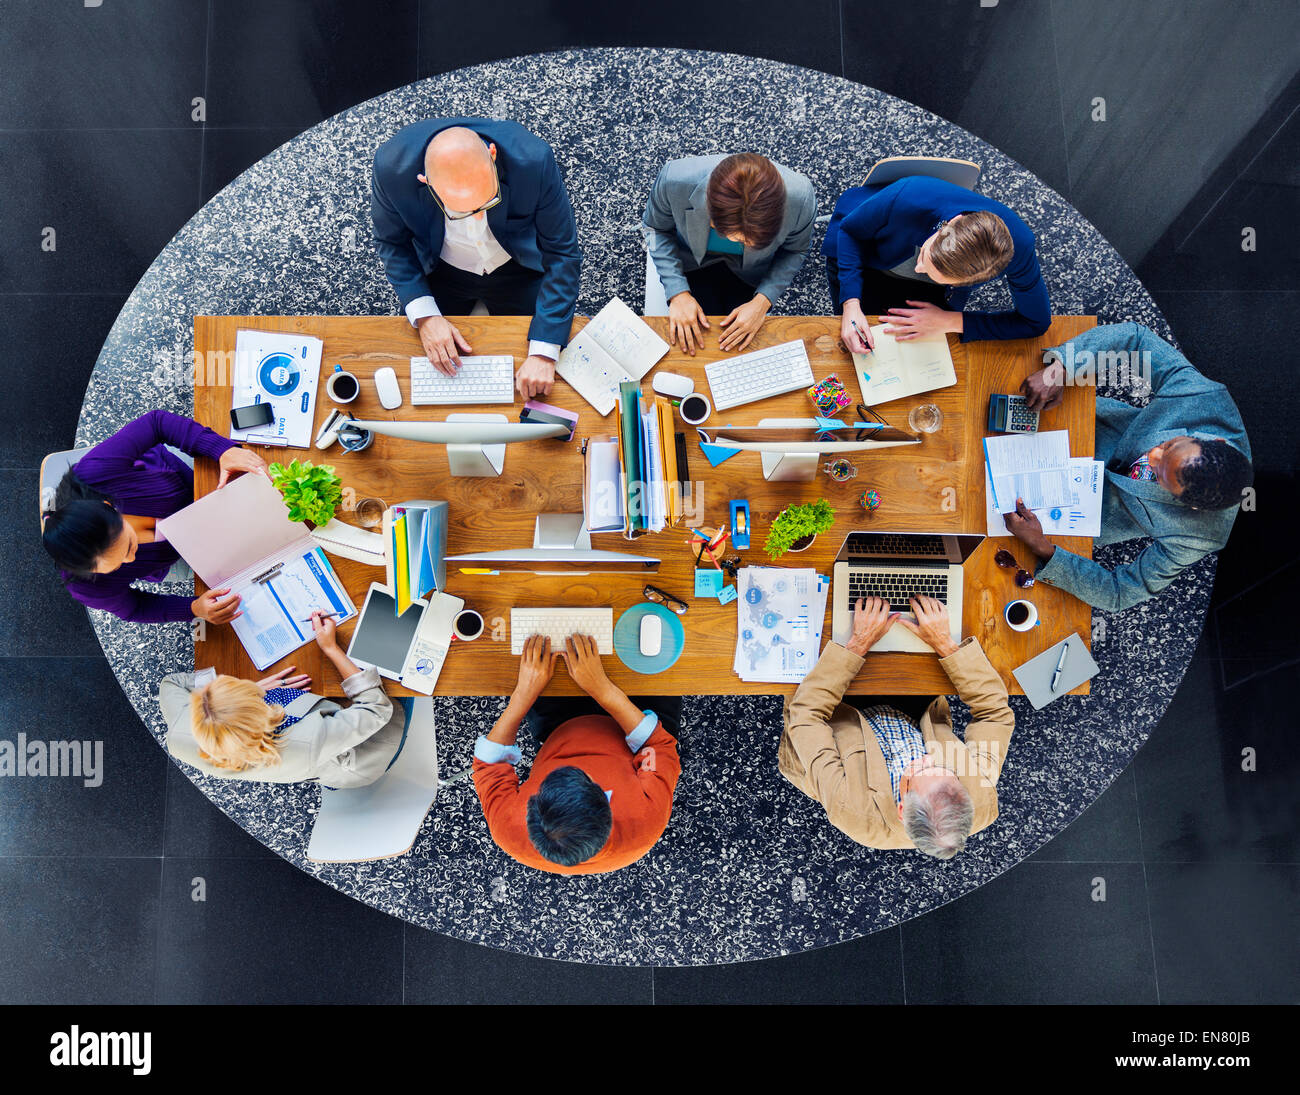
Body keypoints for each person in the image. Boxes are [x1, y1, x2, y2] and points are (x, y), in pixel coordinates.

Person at [1006, 322, 1252, 611]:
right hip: (1085, 429)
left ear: (1191, 507)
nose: (1151, 456)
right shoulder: (1205, 401)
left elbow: (1119, 593)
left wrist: (1043, 548)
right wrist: (1060, 369)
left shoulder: (1198, 538)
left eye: (1159, 475)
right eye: (1169, 445)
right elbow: (1136, 340)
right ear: (1217, 440)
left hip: (1073, 514)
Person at [779, 596, 1015, 859]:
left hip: (835, 715)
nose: (927, 758)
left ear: (902, 808)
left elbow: (807, 716)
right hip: (909, 709)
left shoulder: (852, 810)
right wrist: (945, 645)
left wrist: (857, 645)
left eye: (920, 770)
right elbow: (994, 714)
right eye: (946, 770)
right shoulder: (979, 795)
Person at [370, 117, 582, 399]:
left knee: (544, 378)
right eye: (461, 212)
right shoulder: (391, 169)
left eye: (489, 201)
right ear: (427, 183)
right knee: (416, 370)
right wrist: (426, 316)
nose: (479, 217)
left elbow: (562, 254)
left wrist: (544, 352)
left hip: (517, 267)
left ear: (492, 155)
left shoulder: (534, 161)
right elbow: (391, 243)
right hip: (441, 270)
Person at [473, 635, 681, 875]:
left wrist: (524, 693)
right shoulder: (646, 822)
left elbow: (489, 765)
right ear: (607, 808)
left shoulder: (508, 831)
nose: (576, 759)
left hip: (559, 726)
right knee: (668, 650)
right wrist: (603, 689)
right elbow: (658, 745)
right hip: (637, 723)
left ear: (530, 811)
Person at [40, 409, 266, 625]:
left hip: (192, 482)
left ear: (109, 506)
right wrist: (194, 609)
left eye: (128, 545)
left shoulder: (94, 474)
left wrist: (222, 450)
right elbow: (135, 608)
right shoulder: (85, 587)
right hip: (182, 551)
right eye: (116, 565)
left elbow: (156, 423)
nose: (130, 560)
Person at [158, 613, 403, 786]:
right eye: (252, 692)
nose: (254, 687)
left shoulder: (180, 731)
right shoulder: (306, 742)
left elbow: (171, 683)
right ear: (263, 710)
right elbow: (376, 708)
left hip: (307, 745)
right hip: (364, 751)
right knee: (396, 691)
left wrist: (249, 691)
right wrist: (330, 648)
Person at [823, 174, 1051, 349]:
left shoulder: (1019, 248)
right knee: (860, 338)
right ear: (949, 224)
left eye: (931, 272)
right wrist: (851, 304)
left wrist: (952, 321)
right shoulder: (909, 195)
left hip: (929, 293)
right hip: (869, 258)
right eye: (924, 254)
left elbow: (1035, 322)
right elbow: (850, 231)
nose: (918, 268)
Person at [642, 152, 816, 355]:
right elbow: (653, 229)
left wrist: (762, 302)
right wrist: (677, 293)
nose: (735, 241)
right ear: (710, 211)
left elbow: (796, 250)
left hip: (751, 271)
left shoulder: (801, 198)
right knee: (693, 344)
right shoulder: (673, 179)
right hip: (691, 260)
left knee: (742, 347)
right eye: (730, 234)